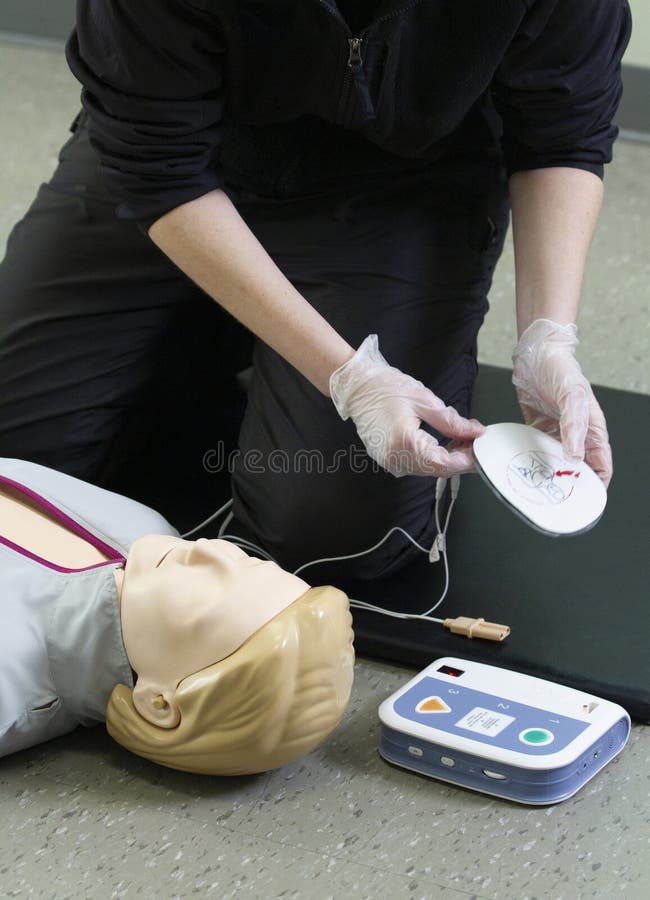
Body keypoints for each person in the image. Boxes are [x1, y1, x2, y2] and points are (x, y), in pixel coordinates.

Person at [0, 1, 631, 577]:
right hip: (184, 146)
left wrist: (549, 336)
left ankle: (240, 354)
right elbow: (154, 163)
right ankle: (213, 345)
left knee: (329, 537)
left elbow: (563, 130)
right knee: (15, 460)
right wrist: (349, 376)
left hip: (404, 183)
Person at [0, 457, 354, 773]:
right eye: (247, 561)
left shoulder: (8, 682)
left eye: (209, 593)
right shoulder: (144, 530)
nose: (209, 550)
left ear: (159, 704)